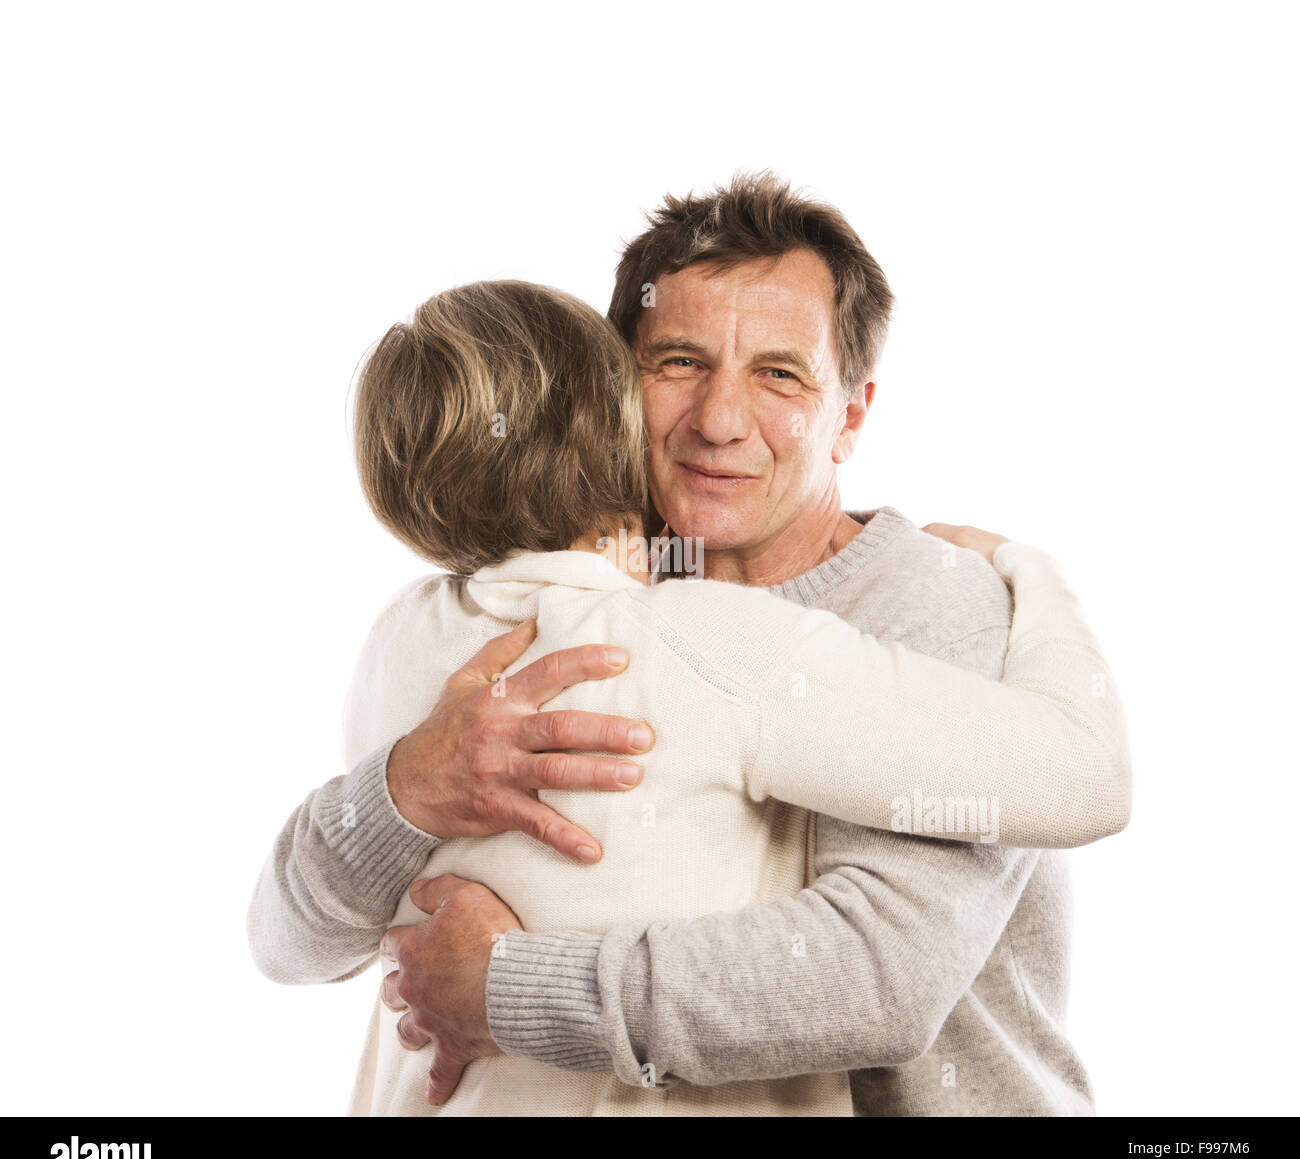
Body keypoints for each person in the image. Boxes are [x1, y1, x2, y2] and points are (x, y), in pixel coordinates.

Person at [248, 227, 1129, 1114]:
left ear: (850, 416)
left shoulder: (935, 604)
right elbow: (289, 943)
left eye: (780, 374)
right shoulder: (520, 616)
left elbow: (876, 976)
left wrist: (504, 989)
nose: (717, 419)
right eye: (678, 361)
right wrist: (401, 789)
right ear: (617, 388)